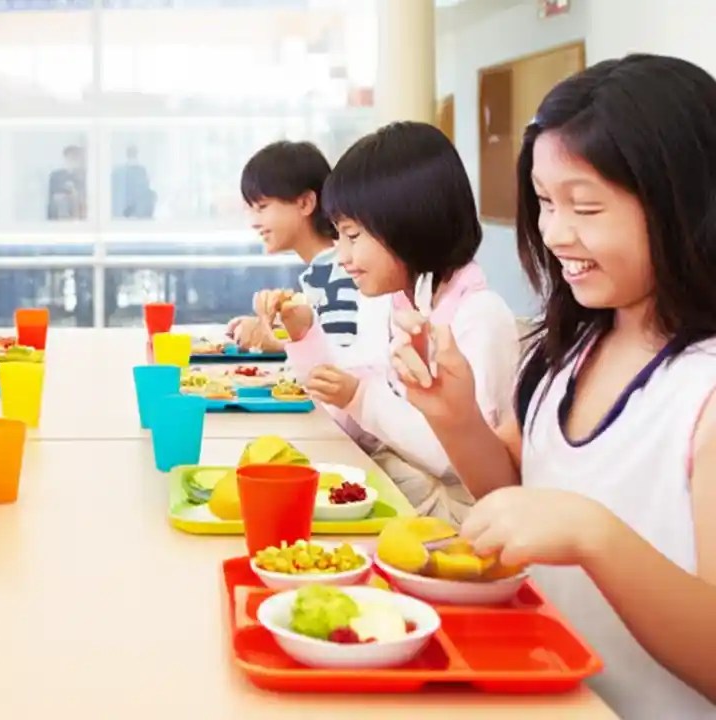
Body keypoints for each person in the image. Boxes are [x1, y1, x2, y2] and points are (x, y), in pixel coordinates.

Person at [390, 55, 716, 718]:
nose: (555, 233)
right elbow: (515, 497)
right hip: (544, 695)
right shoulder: (574, 347)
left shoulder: (703, 392)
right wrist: (456, 419)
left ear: (686, 203)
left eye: (586, 206)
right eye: (542, 202)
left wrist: (595, 535)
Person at [276, 122, 517, 524]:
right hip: (396, 504)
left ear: (409, 225)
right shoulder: (390, 303)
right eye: (338, 235)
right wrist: (304, 338)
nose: (342, 256)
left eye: (352, 235)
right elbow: (348, 424)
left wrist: (360, 397)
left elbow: (456, 458)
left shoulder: (481, 318)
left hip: (457, 532)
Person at [228, 141, 359, 352]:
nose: (253, 221)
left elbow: (339, 358)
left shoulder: (341, 273)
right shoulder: (323, 270)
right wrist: (271, 325)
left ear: (305, 203)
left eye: (262, 207)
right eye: (250, 209)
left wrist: (272, 343)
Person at [111, 145, 155, 219]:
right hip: (127, 212)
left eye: (133, 152)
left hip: (138, 213)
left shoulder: (141, 171)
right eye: (131, 152)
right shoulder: (120, 172)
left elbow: (144, 192)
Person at [47, 145, 86, 220]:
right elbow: (52, 198)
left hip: (79, 217)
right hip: (60, 218)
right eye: (70, 157)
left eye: (75, 158)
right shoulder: (56, 176)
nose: (72, 160)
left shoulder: (83, 177)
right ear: (65, 158)